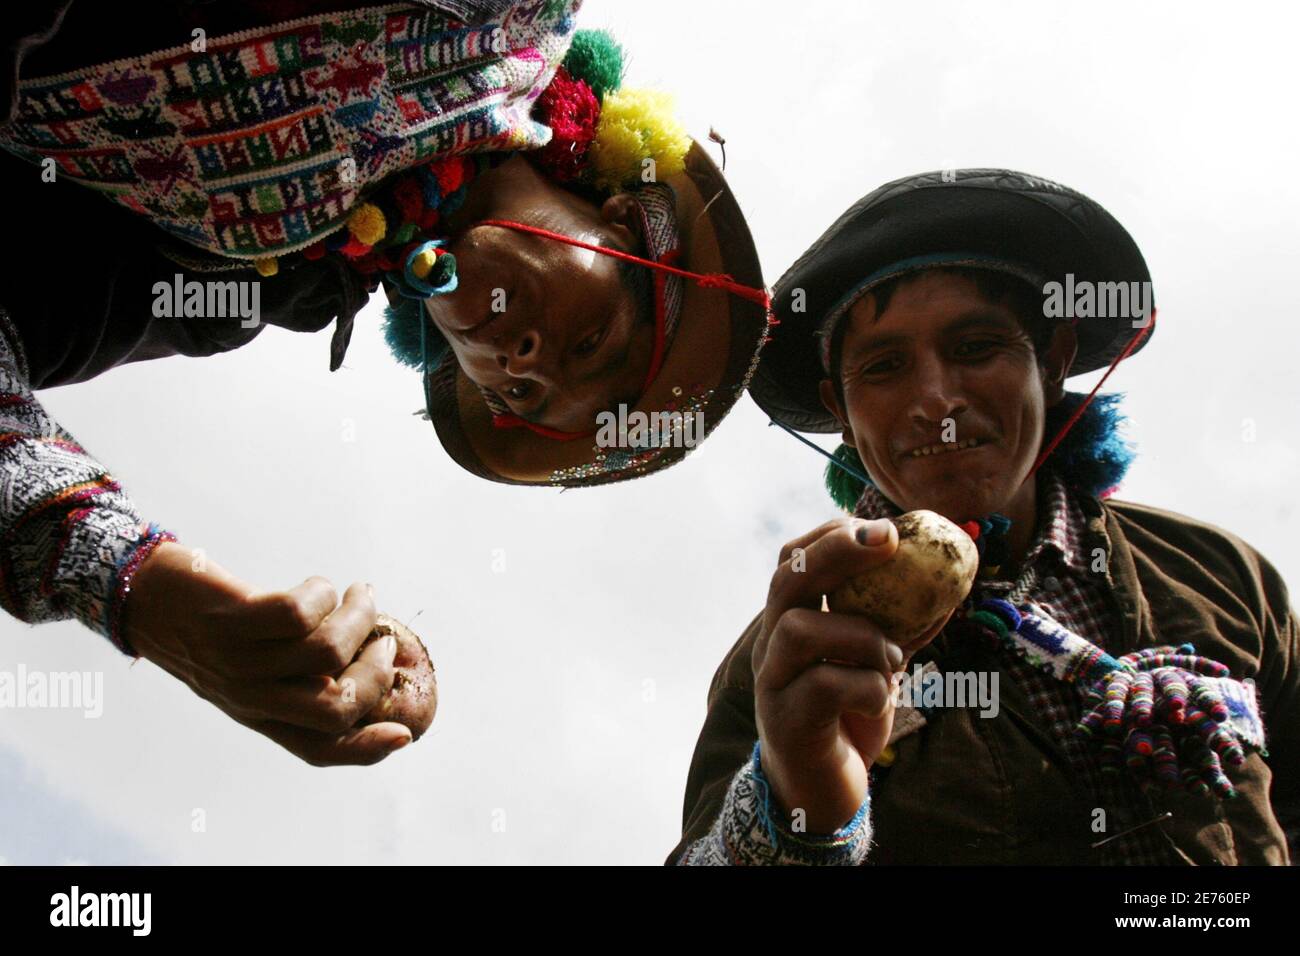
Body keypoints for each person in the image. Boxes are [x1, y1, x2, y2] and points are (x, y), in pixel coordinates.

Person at [0, 0, 768, 765]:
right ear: (626, 222)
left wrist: (143, 584)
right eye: (591, 337)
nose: (525, 362)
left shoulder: (244, 287)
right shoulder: (508, 19)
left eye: (520, 395)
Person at [671, 169, 1299, 865]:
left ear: (1054, 360)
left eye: (975, 348)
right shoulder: (790, 664)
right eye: (883, 367)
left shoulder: (1218, 577)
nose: (936, 401)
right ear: (840, 412)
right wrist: (801, 806)